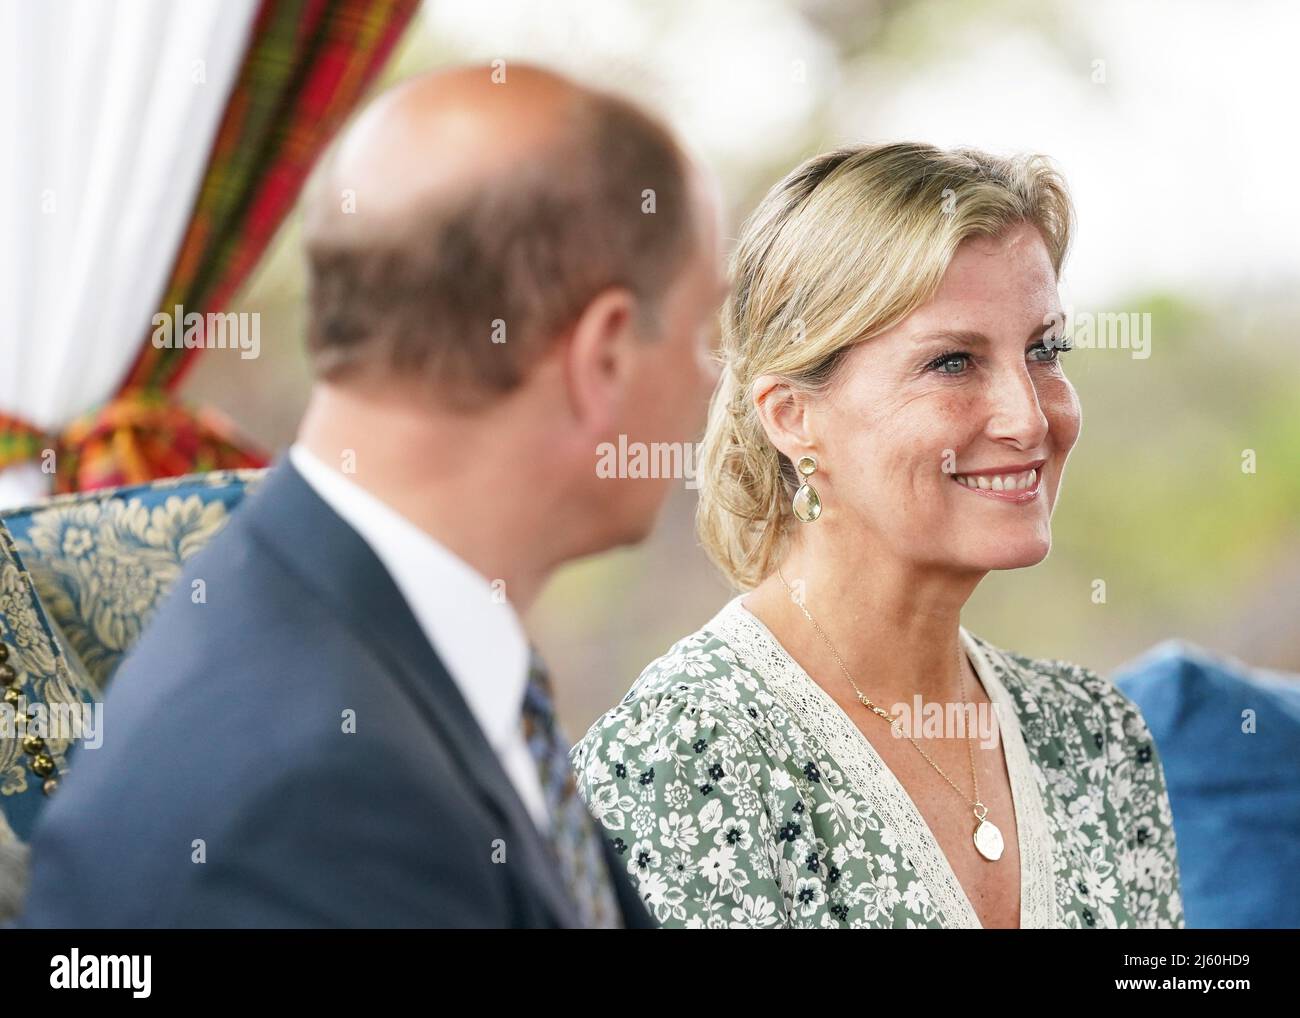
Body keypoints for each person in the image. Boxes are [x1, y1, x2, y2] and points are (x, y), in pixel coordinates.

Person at [18, 62, 726, 927]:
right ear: (604, 356)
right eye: (702, 336)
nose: (709, 385)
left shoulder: (391, 651)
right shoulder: (313, 797)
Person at [571, 143, 1185, 929]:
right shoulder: (678, 757)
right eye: (954, 361)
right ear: (793, 417)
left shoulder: (1095, 737)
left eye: (1043, 351)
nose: (1029, 417)